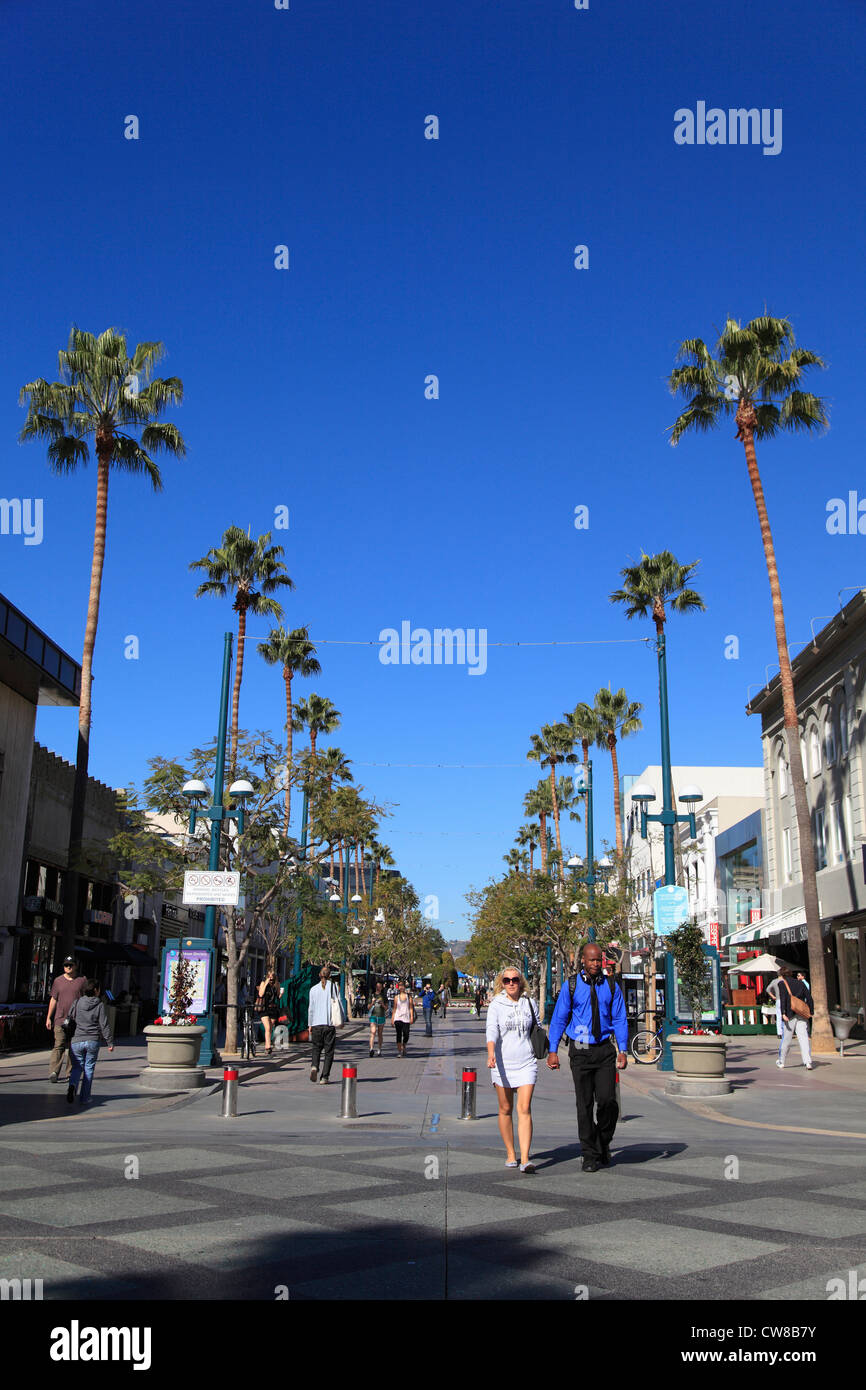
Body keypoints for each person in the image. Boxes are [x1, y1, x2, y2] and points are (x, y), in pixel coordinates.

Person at [546, 943, 628, 1173]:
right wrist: (553, 1050)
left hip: (603, 1049)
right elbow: (559, 1018)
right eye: (591, 960)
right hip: (580, 1049)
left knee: (608, 1101)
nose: (595, 964)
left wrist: (622, 1050)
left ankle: (602, 1141)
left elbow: (620, 1018)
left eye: (598, 960)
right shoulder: (571, 986)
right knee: (584, 1105)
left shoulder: (611, 985)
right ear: (582, 960)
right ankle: (589, 1154)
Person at [486, 966, 538, 1173]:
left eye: (514, 979)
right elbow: (491, 1030)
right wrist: (490, 1053)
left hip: (526, 1061)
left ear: (521, 981)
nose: (511, 983)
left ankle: (525, 1159)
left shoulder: (529, 1003)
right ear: (502, 983)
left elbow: (538, 1028)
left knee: (524, 1108)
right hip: (502, 1063)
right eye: (506, 980)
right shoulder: (496, 1005)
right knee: (505, 1109)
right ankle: (511, 1153)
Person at [66, 979, 114, 1105]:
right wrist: (109, 1042)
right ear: (96, 990)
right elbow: (104, 1024)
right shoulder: (99, 1005)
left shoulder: (77, 1002)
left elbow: (70, 1018)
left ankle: (72, 1085)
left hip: (77, 1039)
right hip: (92, 1039)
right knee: (89, 1068)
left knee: (77, 1067)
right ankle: (85, 1097)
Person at [45, 956, 87, 1084]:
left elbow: (86, 999)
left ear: (75, 966)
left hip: (76, 1020)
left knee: (73, 1047)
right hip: (60, 1019)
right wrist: (49, 1017)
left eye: (70, 965)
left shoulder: (82, 980)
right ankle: (54, 1072)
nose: (68, 967)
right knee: (59, 1045)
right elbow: (53, 999)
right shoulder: (58, 981)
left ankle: (70, 1073)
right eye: (66, 965)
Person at [308, 965, 342, 1084]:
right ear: (329, 976)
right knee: (329, 1052)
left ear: (319, 975)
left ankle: (314, 1066)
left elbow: (310, 1008)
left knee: (316, 1048)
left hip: (316, 1024)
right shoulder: (333, 987)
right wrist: (341, 1020)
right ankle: (324, 1077)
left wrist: (310, 1024)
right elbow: (338, 1003)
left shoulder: (313, 989)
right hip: (329, 1024)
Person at [777, 967, 814, 1070]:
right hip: (801, 1013)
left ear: (782, 975)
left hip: (790, 1014)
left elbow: (783, 998)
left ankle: (782, 1061)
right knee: (803, 1038)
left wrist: (783, 1013)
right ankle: (808, 1062)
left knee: (787, 1039)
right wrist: (811, 1011)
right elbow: (809, 998)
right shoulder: (800, 983)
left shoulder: (782, 984)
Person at [255, 969, 281, 1054]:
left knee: (270, 1028)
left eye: (272, 979)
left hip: (272, 1008)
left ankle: (268, 1044)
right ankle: (268, 1046)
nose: (271, 980)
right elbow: (261, 994)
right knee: (267, 1028)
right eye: (270, 978)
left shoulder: (276, 984)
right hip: (264, 1008)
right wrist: (266, 983)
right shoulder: (263, 983)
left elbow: (277, 996)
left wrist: (281, 993)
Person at [391, 980, 415, 1057]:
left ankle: (404, 1044)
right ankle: (399, 1051)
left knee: (406, 1034)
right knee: (398, 1034)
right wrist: (392, 1018)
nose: (401, 987)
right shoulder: (396, 997)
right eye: (400, 985)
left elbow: (411, 1008)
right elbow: (394, 1008)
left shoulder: (409, 997)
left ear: (405, 987)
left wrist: (411, 1017)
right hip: (398, 1018)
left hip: (406, 1017)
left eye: (402, 985)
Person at [369, 984, 388, 1055]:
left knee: (380, 1033)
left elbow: (386, 1008)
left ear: (381, 988)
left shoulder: (384, 996)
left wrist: (382, 1004)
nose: (378, 988)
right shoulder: (372, 995)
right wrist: (372, 1003)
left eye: (379, 987)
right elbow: (368, 1007)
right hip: (373, 1016)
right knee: (373, 1032)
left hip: (381, 1016)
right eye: (377, 987)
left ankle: (379, 1049)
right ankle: (371, 1049)